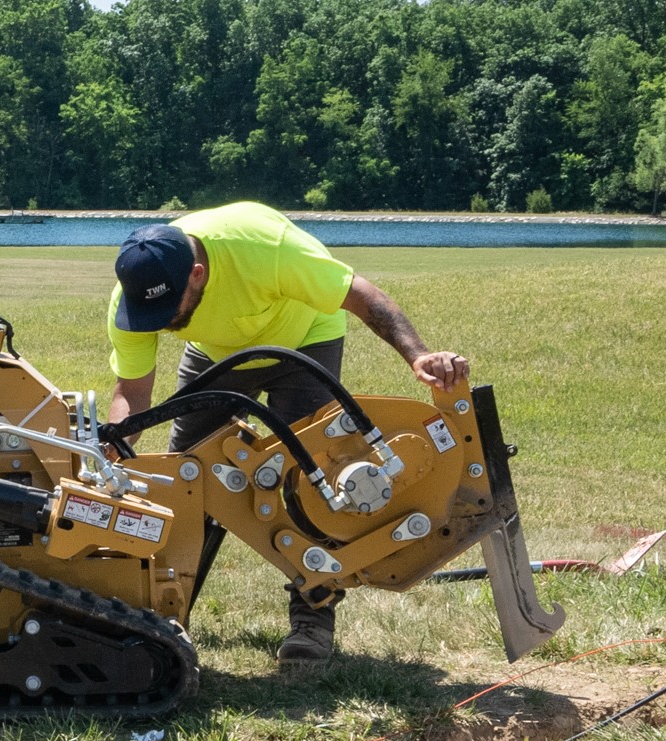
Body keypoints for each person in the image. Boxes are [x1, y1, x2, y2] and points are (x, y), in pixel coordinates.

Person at [104, 203, 468, 666]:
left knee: (312, 485)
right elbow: (133, 393)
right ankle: (166, 614)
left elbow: (360, 294)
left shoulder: (265, 249)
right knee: (185, 479)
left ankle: (312, 618)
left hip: (304, 337)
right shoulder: (135, 298)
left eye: (166, 308)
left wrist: (417, 355)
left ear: (197, 274)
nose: (157, 320)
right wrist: (112, 446)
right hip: (216, 354)